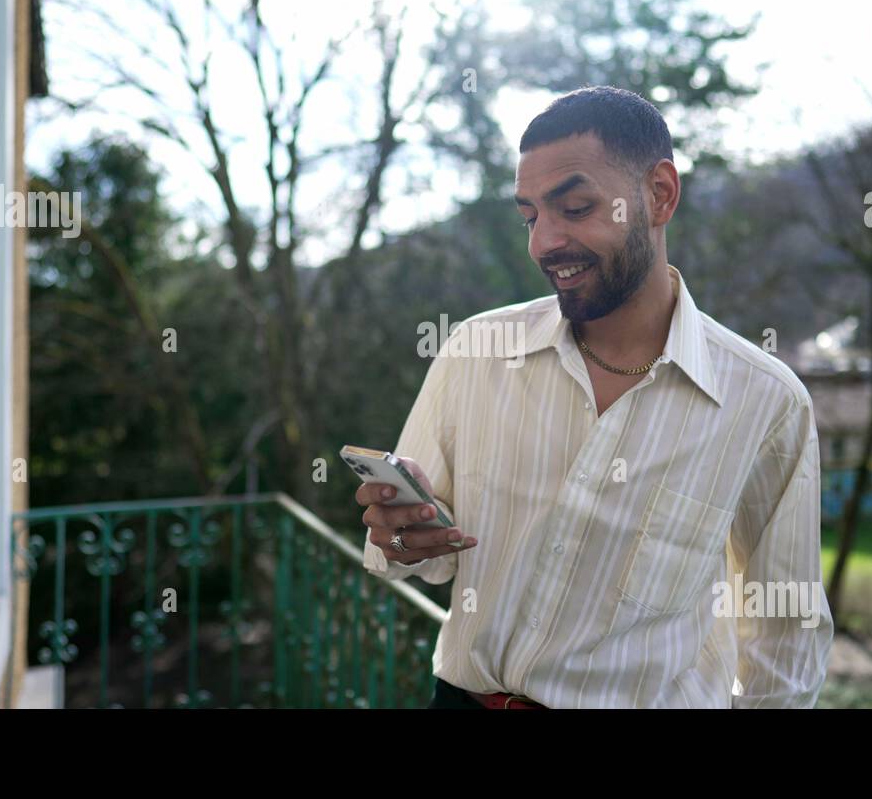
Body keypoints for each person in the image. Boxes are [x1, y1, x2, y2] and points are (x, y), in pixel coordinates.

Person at [356, 86, 833, 709]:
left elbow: (786, 638)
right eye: (529, 216)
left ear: (659, 194)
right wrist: (397, 537)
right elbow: (408, 553)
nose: (543, 242)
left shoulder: (767, 402)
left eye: (575, 207)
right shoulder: (474, 351)